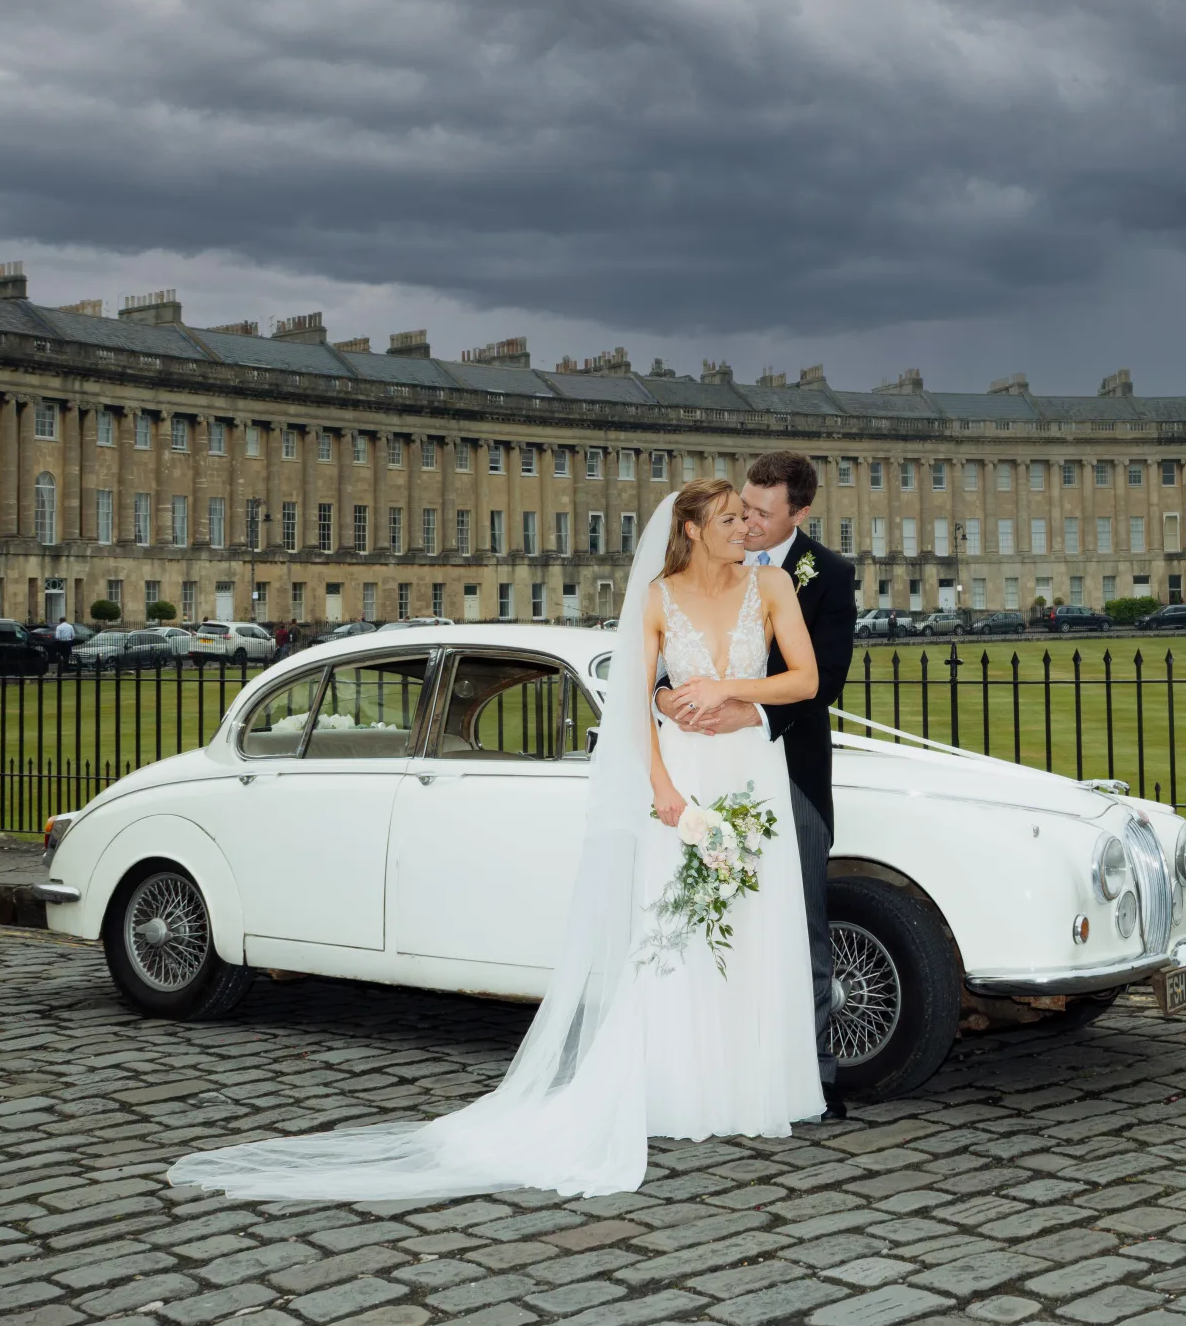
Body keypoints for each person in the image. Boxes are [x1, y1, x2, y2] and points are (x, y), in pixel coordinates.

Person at [168, 480, 825, 1203]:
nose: (747, 528)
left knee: (754, 926)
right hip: (683, 774)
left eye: (747, 517)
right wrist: (662, 788)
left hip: (749, 767)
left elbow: (805, 678)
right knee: (672, 934)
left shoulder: (772, 585)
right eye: (731, 518)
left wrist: (729, 689)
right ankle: (684, 1087)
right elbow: (636, 702)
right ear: (694, 529)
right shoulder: (657, 597)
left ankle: (751, 1087)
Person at [656, 450, 857, 1116]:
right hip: (698, 760)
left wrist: (754, 709)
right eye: (742, 509)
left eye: (763, 514)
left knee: (798, 923)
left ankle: (812, 1074)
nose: (749, 523)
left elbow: (822, 679)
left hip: (786, 767)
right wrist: (666, 698)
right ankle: (711, 1063)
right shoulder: (694, 574)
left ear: (800, 512)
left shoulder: (826, 575)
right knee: (700, 912)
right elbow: (661, 666)